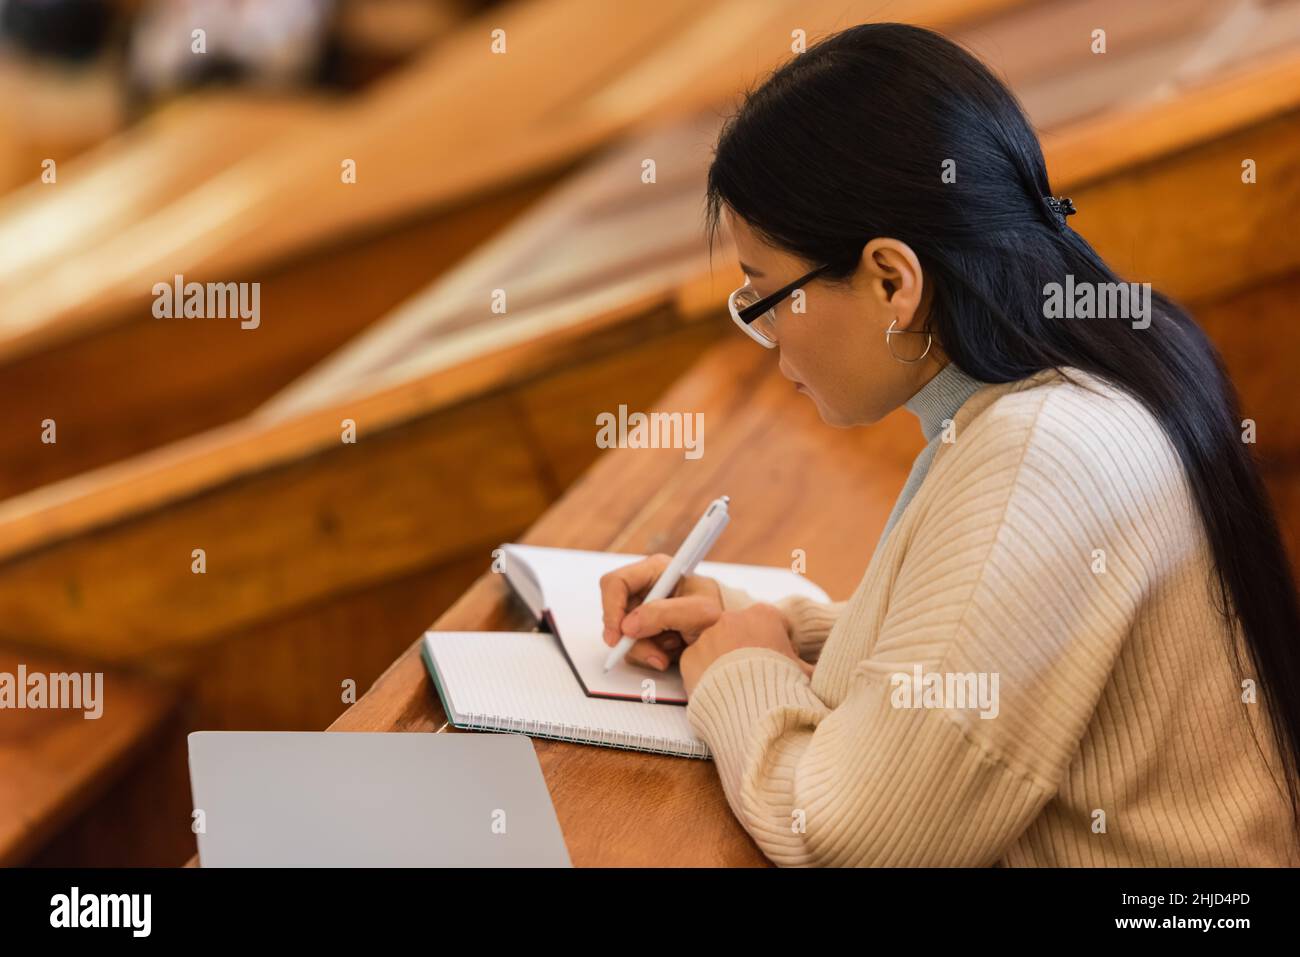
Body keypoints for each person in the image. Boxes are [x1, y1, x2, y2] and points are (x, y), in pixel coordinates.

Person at [599, 23, 1300, 866]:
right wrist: (767, 626)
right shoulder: (1089, 378)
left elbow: (852, 836)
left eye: (765, 295)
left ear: (892, 279)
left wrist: (738, 675)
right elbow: (967, 654)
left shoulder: (1040, 457)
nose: (769, 336)